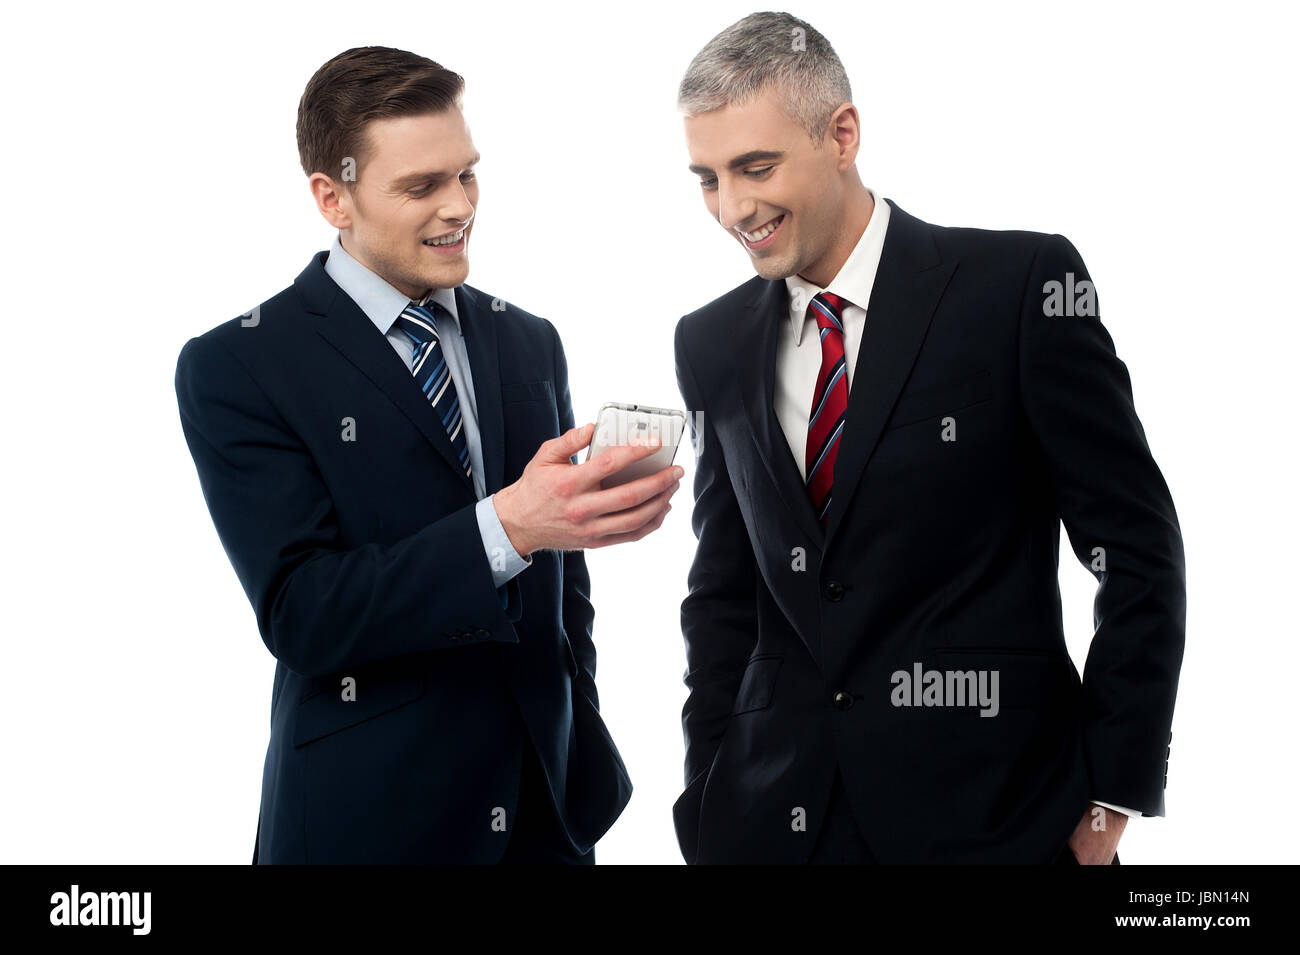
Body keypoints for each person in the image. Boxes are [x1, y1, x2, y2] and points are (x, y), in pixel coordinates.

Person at [670, 12, 1184, 864]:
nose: (734, 207)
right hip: (779, 828)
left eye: (756, 167)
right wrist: (709, 799)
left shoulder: (1018, 288)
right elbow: (724, 594)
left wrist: (1110, 798)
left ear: (842, 135)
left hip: (1001, 820)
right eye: (708, 177)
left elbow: (1136, 551)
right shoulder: (709, 340)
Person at [174, 46, 681, 864]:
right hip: (368, 823)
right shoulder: (237, 365)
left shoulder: (527, 340)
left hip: (544, 814)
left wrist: (575, 737)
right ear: (331, 198)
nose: (459, 207)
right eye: (421, 186)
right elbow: (304, 612)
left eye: (467, 175)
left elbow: (565, 597)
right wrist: (507, 527)